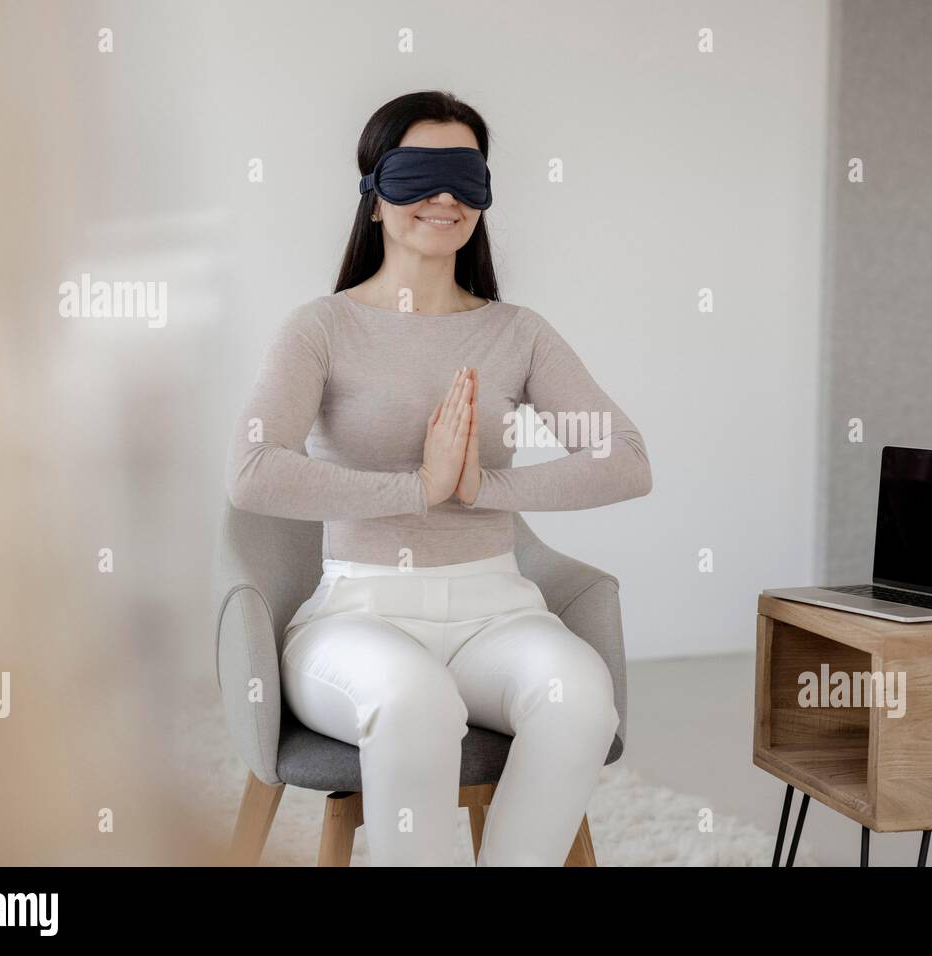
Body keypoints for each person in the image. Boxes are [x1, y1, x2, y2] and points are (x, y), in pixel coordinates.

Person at [225, 90, 651, 865]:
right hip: (359, 614)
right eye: (421, 172)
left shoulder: (516, 332)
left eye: (466, 175)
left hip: (497, 610)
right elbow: (251, 474)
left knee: (581, 699)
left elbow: (626, 459)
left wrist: (479, 488)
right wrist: (413, 490)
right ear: (375, 191)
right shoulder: (322, 327)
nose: (446, 195)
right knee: (413, 701)